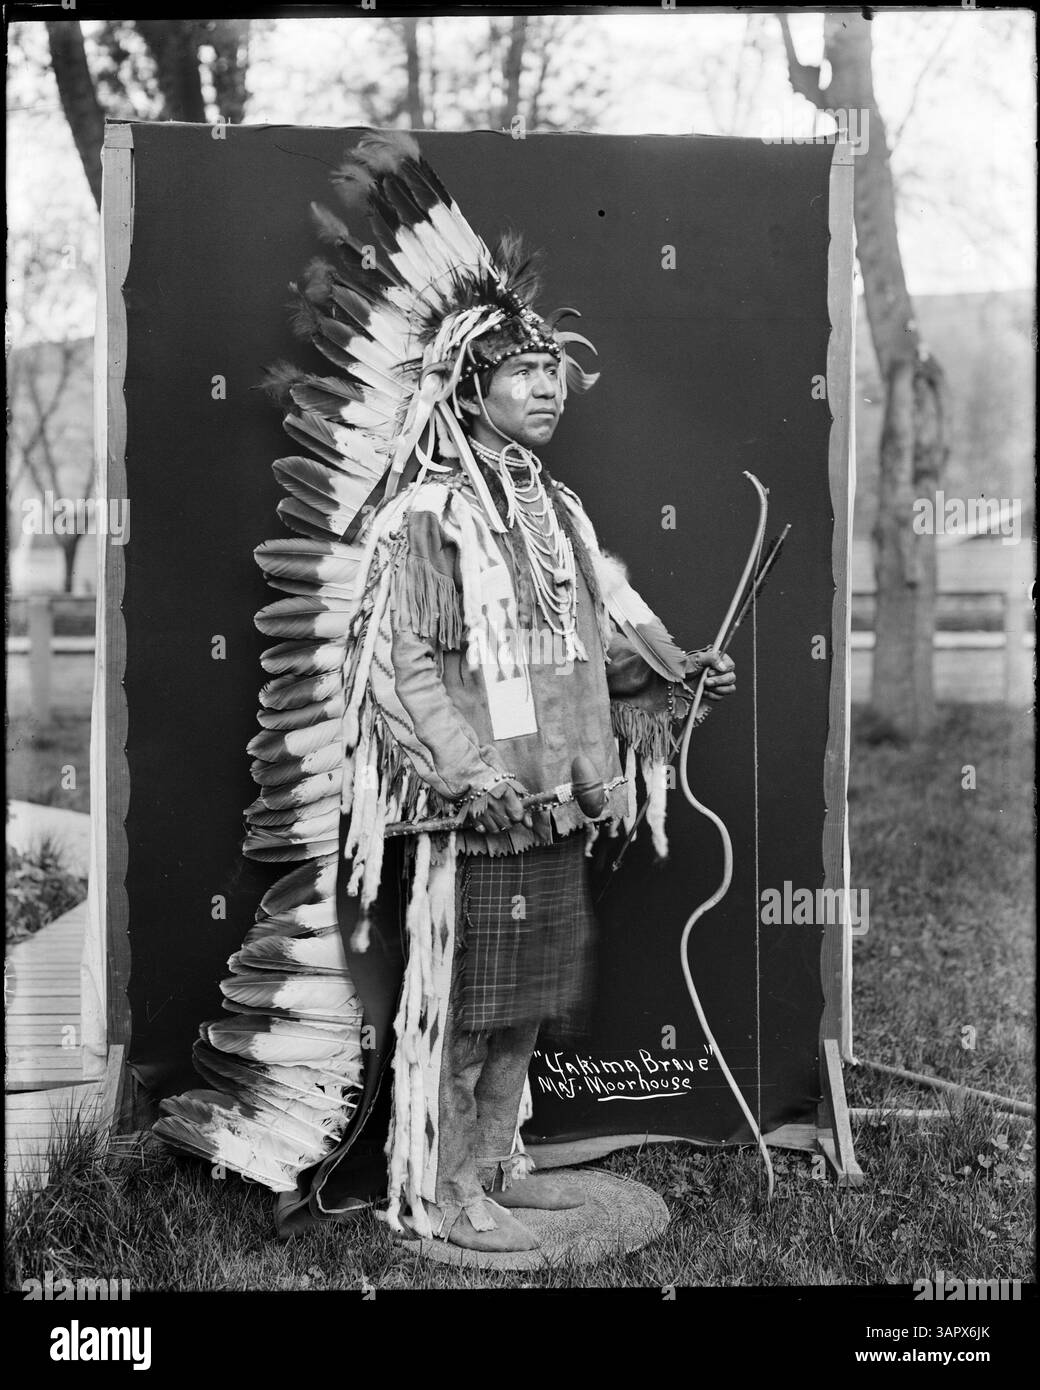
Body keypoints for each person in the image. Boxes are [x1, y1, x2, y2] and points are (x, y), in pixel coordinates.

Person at [153, 131, 734, 1252]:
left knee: (524, 1006)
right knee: (464, 1009)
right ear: (470, 387)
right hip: (472, 804)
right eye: (523, 372)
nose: (547, 386)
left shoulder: (555, 512)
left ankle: (491, 1169)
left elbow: (567, 649)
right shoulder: (428, 516)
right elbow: (400, 661)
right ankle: (434, 1189)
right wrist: (466, 768)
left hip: (553, 792)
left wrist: (660, 678)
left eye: (553, 372)